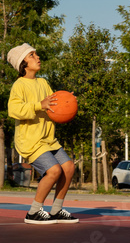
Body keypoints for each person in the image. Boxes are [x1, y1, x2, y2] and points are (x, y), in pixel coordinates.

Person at [7, 42, 79, 225]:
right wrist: (39, 105)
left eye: (36, 54)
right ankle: (33, 211)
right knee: (54, 171)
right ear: (22, 62)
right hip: (31, 141)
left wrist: (67, 102)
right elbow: (14, 110)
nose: (37, 58)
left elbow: (53, 104)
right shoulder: (19, 85)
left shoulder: (43, 82)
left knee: (69, 168)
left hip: (48, 140)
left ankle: (56, 210)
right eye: (32, 55)